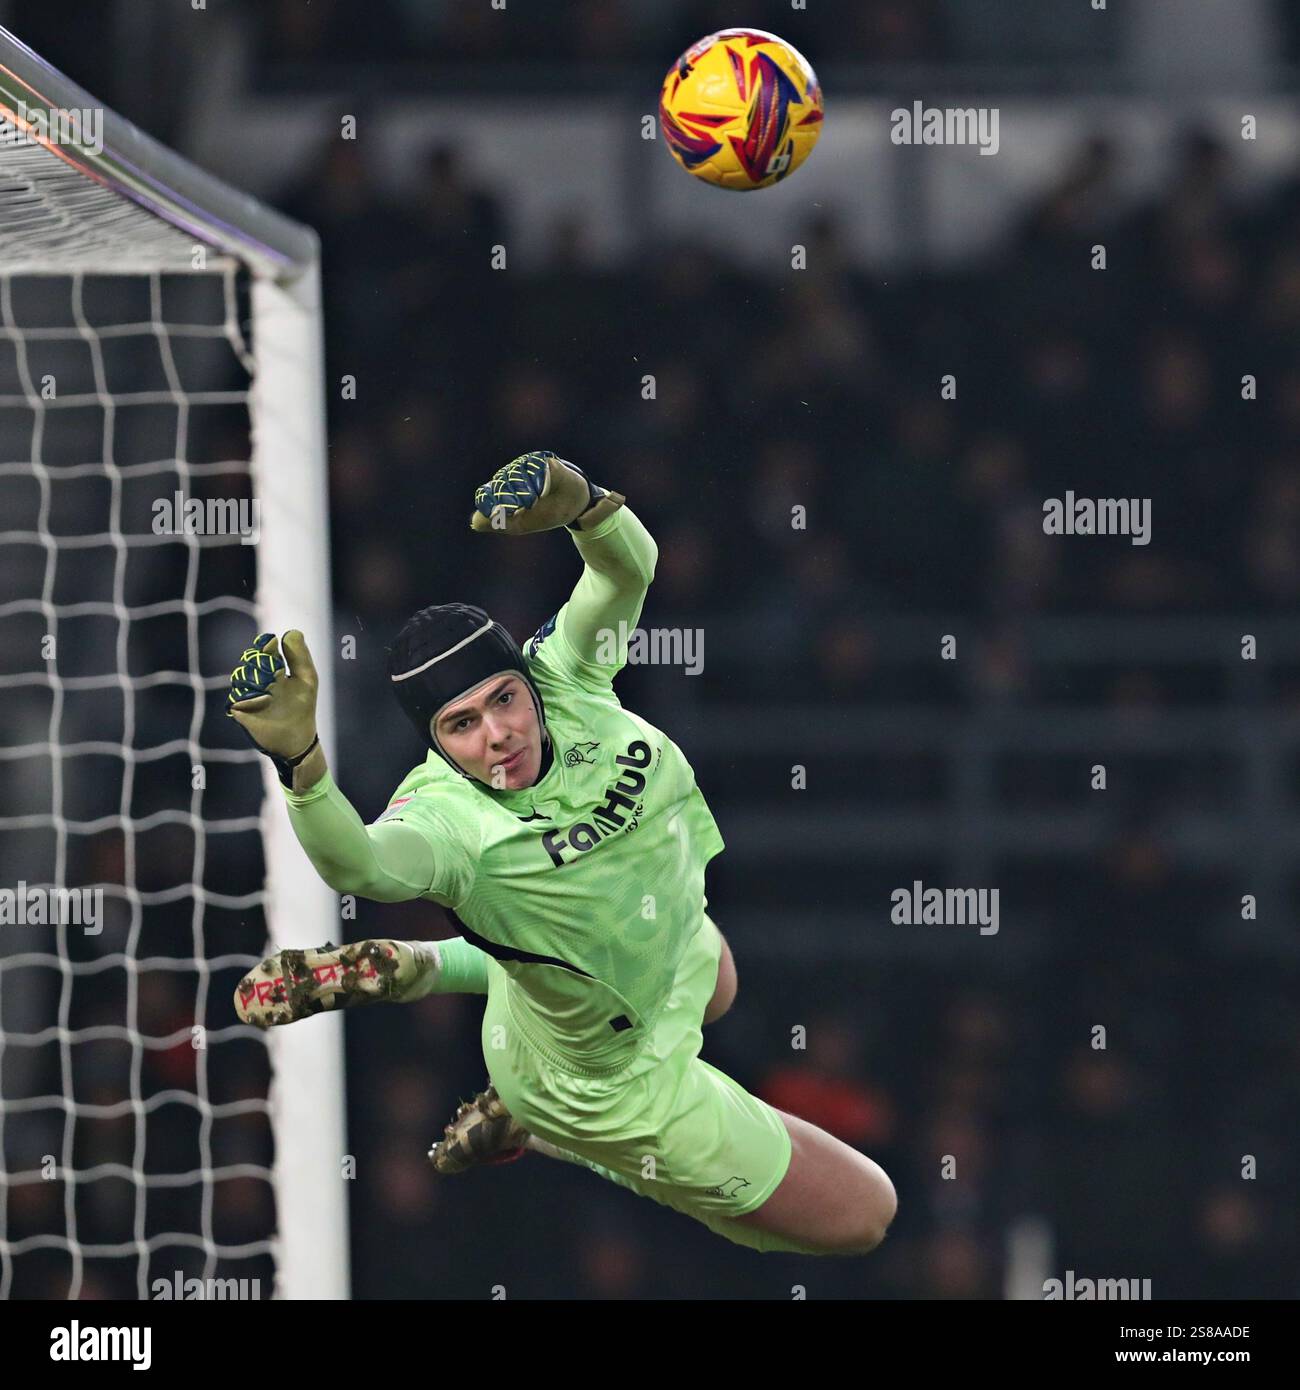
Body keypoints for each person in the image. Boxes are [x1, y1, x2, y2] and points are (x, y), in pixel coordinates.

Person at [226, 451, 896, 1256]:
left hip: (653, 947)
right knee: (866, 1216)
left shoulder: (566, 678)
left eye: (502, 699)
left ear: (525, 681)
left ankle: (426, 967)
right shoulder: (448, 822)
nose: (497, 734)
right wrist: (301, 761)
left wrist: (583, 504)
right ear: (435, 744)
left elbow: (627, 575)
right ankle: (554, 1131)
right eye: (460, 725)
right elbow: (359, 866)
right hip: (609, 1085)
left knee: (719, 984)